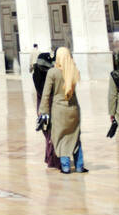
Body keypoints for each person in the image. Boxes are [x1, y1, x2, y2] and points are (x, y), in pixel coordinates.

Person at [38, 46, 85, 174]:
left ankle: (65, 166)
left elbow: (46, 94)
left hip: (59, 109)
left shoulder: (53, 72)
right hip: (73, 108)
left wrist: (43, 110)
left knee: (61, 137)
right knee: (75, 137)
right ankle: (79, 166)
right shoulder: (74, 70)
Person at [30, 52, 61, 169]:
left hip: (41, 106)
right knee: (52, 132)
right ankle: (53, 158)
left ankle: (49, 157)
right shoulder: (48, 74)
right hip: (49, 105)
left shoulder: (36, 73)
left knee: (47, 132)